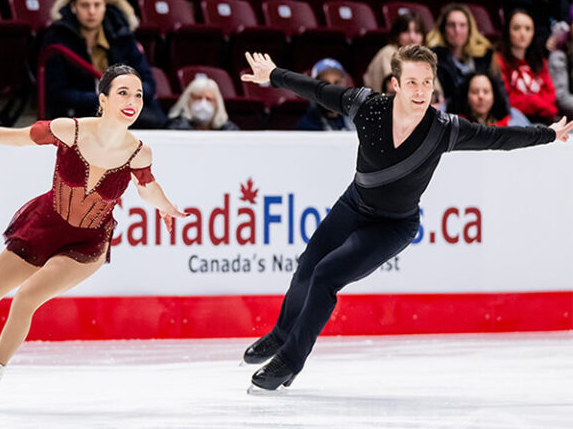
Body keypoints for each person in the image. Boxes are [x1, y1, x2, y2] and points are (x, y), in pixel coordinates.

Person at [240, 46, 572, 391]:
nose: (420, 91)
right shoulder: (366, 106)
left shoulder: (444, 129)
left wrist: (547, 134)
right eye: (412, 82)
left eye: (427, 83)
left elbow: (496, 138)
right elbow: (320, 91)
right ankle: (280, 334)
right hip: (353, 205)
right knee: (308, 264)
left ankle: (289, 362)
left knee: (326, 275)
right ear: (396, 83)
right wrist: (274, 75)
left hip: (394, 225)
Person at [0, 64, 188, 410]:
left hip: (87, 243)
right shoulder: (68, 130)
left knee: (27, 296)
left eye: (138, 94)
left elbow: (148, 189)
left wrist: (165, 206)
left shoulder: (140, 152)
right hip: (45, 224)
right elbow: (16, 136)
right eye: (123, 93)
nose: (132, 101)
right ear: (103, 98)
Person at [42, 0, 166, 128]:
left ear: (105, 6)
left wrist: (126, 96)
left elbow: (148, 83)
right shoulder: (57, 37)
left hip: (127, 109)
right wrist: (105, 99)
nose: (91, 11)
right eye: (85, 5)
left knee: (154, 121)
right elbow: (56, 92)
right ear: (73, 7)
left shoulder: (122, 34)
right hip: (81, 113)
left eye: (97, 5)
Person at [495, 9, 558, 124]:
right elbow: (507, 100)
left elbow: (551, 97)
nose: (522, 33)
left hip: (542, 121)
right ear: (507, 31)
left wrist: (530, 101)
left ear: (533, 33)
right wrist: (535, 101)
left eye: (528, 29)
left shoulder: (540, 62)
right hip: (514, 121)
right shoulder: (498, 61)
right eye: (516, 28)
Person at [427, 4, 497, 104]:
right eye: (452, 25)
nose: (457, 30)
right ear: (443, 29)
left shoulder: (484, 56)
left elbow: (497, 92)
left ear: (469, 29)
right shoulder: (434, 58)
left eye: (462, 25)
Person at [363, 13, 425, 92]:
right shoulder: (389, 52)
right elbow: (393, 88)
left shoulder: (422, 58)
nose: (412, 37)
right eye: (406, 32)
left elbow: (437, 94)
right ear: (397, 35)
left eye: (417, 32)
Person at [448, 72, 531, 126]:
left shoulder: (510, 120)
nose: (481, 96)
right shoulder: (455, 125)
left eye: (486, 91)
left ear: (494, 96)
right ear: (466, 96)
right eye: (475, 92)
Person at [296, 58, 355, 131]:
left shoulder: (354, 120)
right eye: (325, 83)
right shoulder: (307, 124)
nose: (332, 89)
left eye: (337, 82)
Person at [165, 77, 239, 130]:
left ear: (217, 104)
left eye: (209, 99)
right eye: (198, 98)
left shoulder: (228, 130)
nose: (203, 103)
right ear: (188, 100)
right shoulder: (176, 127)